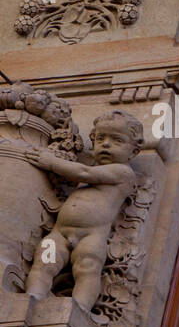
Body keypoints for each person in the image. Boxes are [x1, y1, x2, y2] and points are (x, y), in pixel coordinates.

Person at [22, 111, 143, 311]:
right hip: (59, 233)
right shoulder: (95, 172)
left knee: (87, 269)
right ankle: (32, 298)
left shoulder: (123, 172)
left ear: (133, 152)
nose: (105, 144)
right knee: (44, 263)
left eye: (116, 140)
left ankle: (79, 310)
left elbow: (84, 172)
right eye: (100, 138)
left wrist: (51, 162)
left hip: (91, 236)